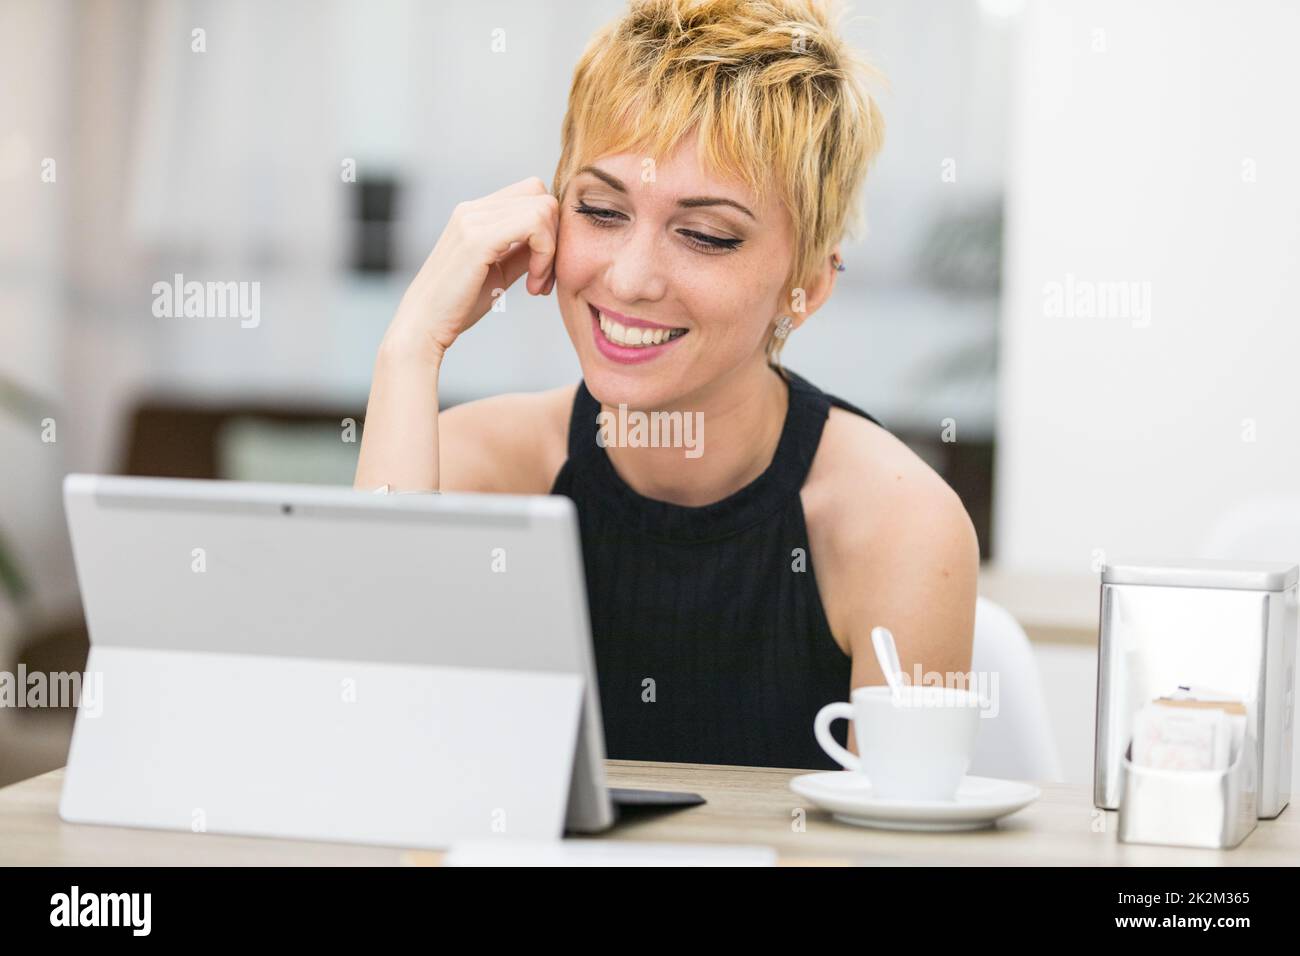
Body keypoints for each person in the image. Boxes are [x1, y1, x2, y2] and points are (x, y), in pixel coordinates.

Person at [355, 0, 978, 770]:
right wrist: (411, 346)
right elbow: (368, 764)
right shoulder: (471, 467)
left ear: (807, 288)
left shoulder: (900, 527)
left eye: (705, 235)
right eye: (601, 210)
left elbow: (900, 845)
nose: (631, 277)